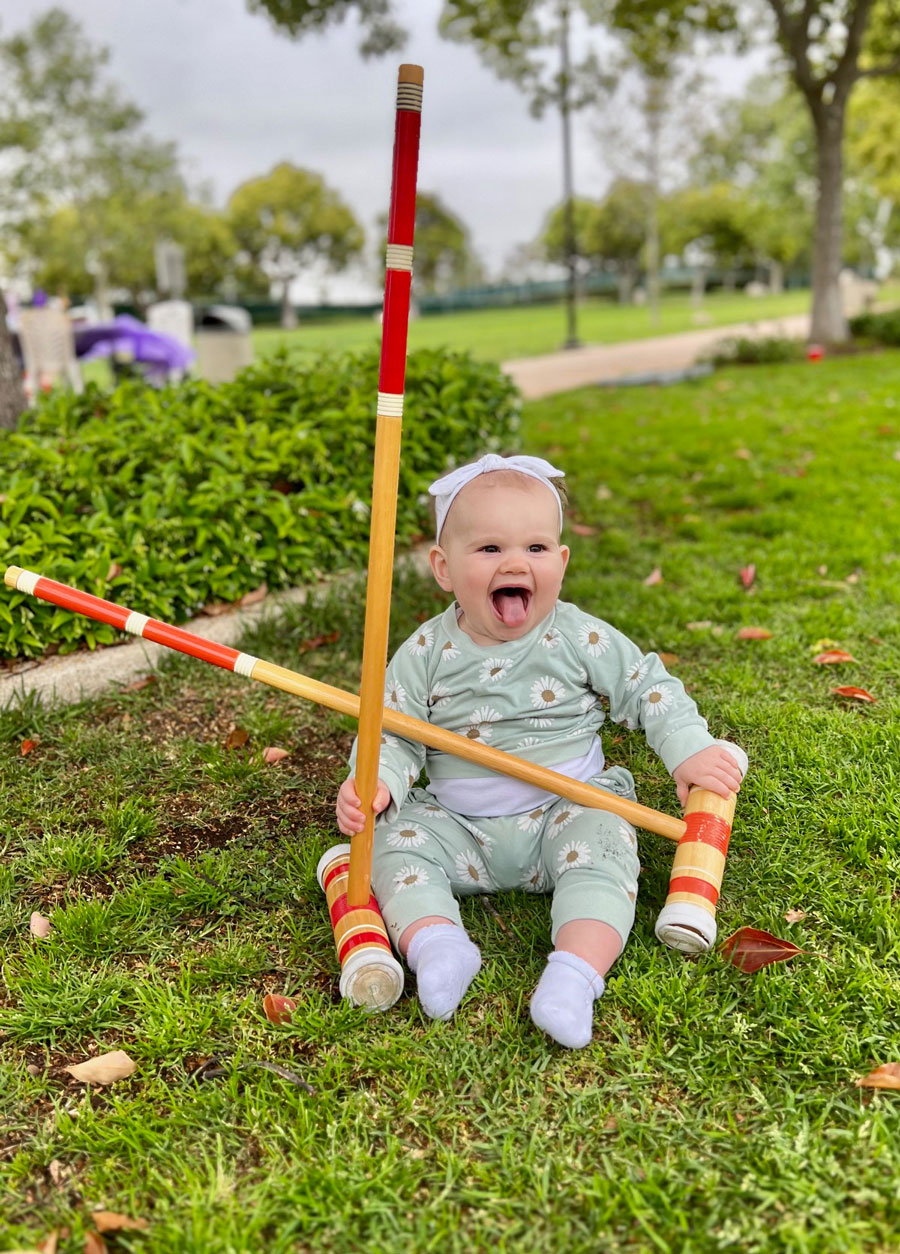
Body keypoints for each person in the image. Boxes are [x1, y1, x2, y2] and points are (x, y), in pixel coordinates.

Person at [336, 454, 746, 1049]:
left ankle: (575, 976)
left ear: (561, 561)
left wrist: (687, 749)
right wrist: (377, 783)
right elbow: (393, 731)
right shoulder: (423, 651)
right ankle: (438, 946)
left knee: (608, 847)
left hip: (567, 813)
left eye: (535, 549)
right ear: (443, 569)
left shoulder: (579, 635)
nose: (514, 563)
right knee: (393, 849)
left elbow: (646, 685)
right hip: (460, 827)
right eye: (488, 550)